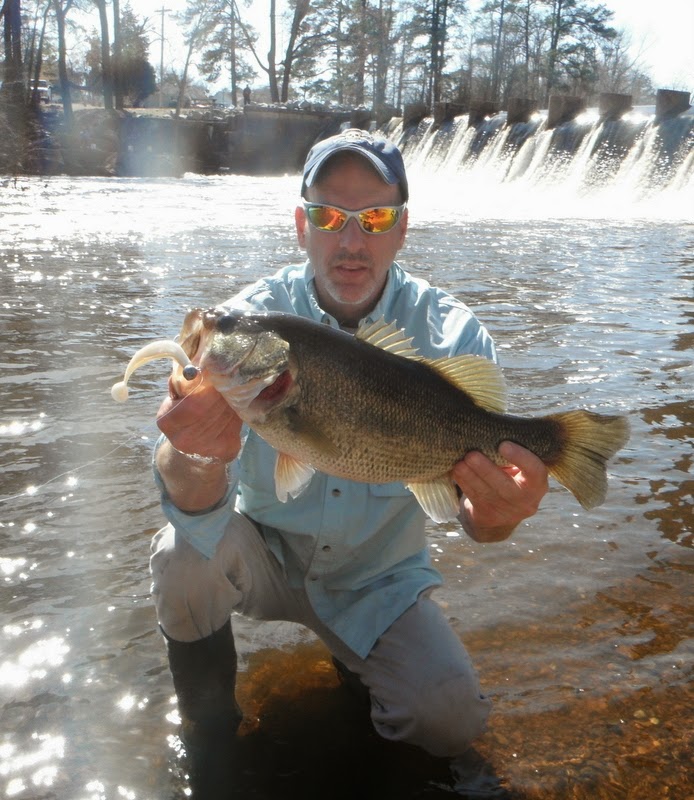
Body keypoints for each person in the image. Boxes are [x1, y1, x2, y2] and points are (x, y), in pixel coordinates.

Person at [150, 128, 548, 783]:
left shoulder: (452, 337)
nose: (352, 241)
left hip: (377, 579)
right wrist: (195, 457)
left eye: (376, 218)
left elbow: (479, 522)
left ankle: (366, 709)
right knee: (178, 558)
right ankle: (209, 733)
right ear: (300, 226)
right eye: (330, 216)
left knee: (450, 721)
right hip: (265, 553)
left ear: (403, 229)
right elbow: (184, 493)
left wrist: (505, 510)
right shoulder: (250, 325)